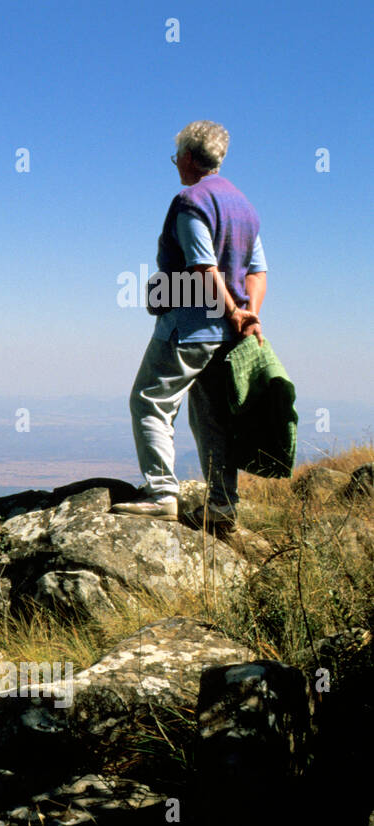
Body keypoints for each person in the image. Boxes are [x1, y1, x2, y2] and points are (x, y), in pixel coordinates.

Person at [112, 121, 268, 530]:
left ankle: (162, 493)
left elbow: (202, 265)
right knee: (210, 418)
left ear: (186, 157)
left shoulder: (190, 200)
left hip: (188, 326)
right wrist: (248, 314)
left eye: (175, 157)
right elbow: (258, 271)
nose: (175, 164)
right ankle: (222, 507)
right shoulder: (243, 206)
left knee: (149, 401)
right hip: (226, 336)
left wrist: (232, 310)